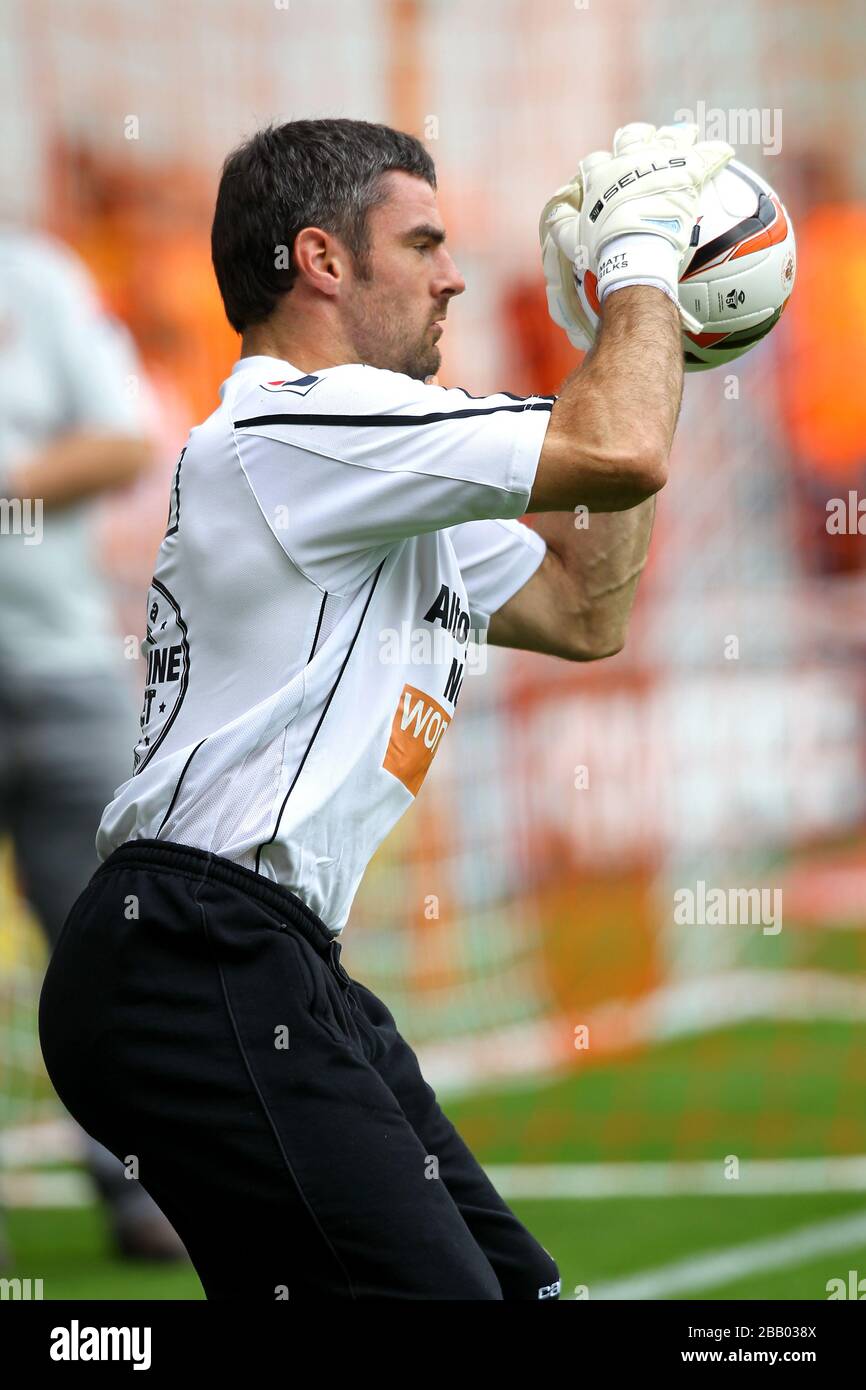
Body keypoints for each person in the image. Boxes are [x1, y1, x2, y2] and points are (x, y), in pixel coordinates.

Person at [38, 118, 732, 1299]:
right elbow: (614, 448)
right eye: (422, 243)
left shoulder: (373, 462)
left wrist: (606, 339)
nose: (453, 274)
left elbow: (583, 609)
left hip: (260, 960)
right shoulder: (297, 422)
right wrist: (641, 272)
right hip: (196, 951)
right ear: (320, 260)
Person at [0, 227, 186, 1260]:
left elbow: (123, 439)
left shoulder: (36, 277)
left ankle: (140, 1188)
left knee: (111, 940)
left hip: (63, 666)